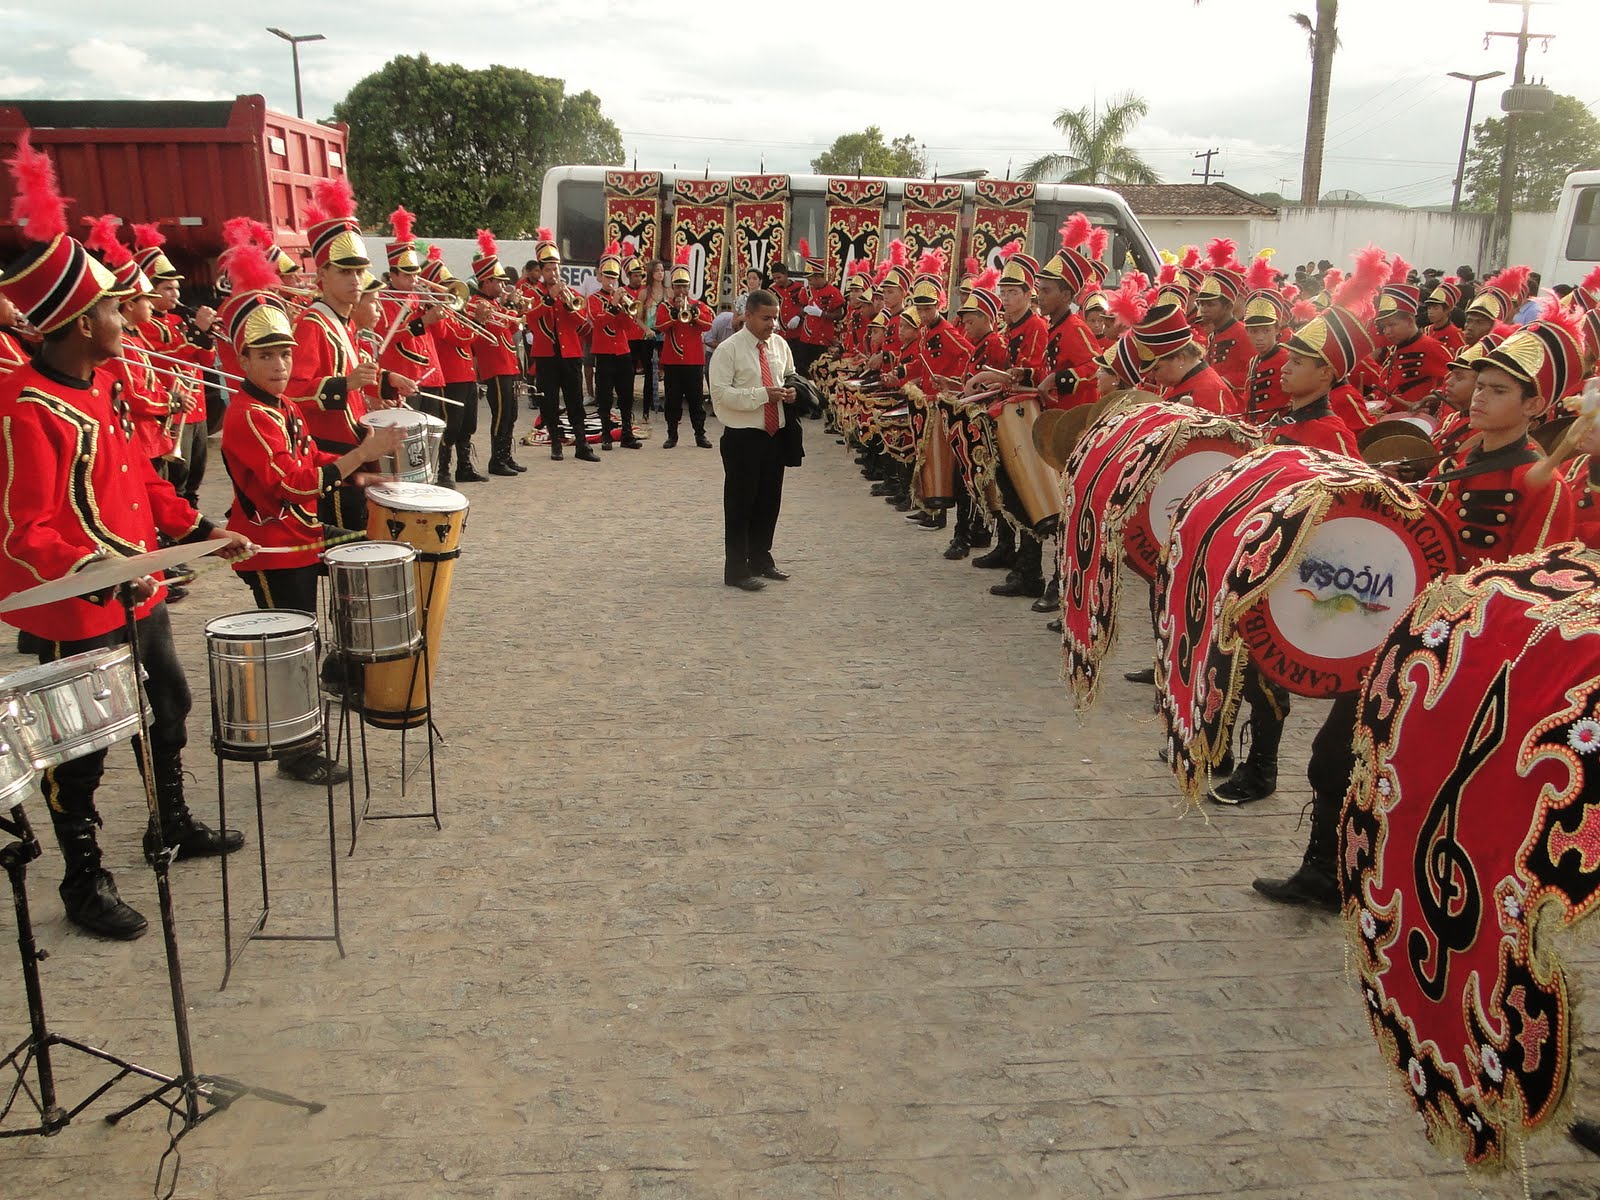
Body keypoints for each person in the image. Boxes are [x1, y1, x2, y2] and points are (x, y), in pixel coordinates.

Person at [0, 136, 251, 938]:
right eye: (113, 306)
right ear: (78, 321)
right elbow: (23, 529)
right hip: (77, 608)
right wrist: (94, 568)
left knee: (168, 705)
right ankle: (83, 879)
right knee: (81, 749)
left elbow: (139, 482)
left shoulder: (101, 383)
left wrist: (201, 529)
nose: (127, 316)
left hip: (134, 590)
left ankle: (167, 826)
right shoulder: (24, 406)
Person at [214, 223, 403, 785]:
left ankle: (311, 726)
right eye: (267, 356)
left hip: (298, 538)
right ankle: (296, 753)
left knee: (306, 630)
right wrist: (357, 457)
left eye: (284, 355)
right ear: (243, 361)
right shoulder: (248, 413)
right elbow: (294, 484)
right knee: (289, 641)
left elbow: (310, 450)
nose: (279, 367)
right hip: (271, 545)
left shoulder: (276, 407)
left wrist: (357, 476)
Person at [287, 178, 403, 536]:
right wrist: (344, 384)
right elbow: (291, 391)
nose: (356, 280)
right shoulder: (312, 324)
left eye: (359, 271)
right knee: (348, 543)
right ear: (322, 274)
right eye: (345, 271)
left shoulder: (343, 323)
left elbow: (351, 374)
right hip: (329, 452)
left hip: (355, 443)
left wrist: (386, 380)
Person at [708, 289, 799, 590]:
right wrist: (762, 395)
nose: (772, 324)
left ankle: (761, 558)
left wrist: (793, 391)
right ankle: (735, 569)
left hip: (775, 436)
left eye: (775, 318)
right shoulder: (729, 350)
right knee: (740, 505)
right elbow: (720, 396)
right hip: (743, 437)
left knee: (768, 502)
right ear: (748, 315)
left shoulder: (780, 345)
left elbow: (790, 375)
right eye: (765, 318)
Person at [525, 228, 596, 463]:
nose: (553, 273)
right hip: (546, 356)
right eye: (548, 269)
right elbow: (531, 318)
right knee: (549, 401)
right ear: (541, 272)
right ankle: (555, 443)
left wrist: (567, 303)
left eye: (556, 268)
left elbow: (581, 322)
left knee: (575, 399)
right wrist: (549, 298)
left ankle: (582, 444)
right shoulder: (534, 293)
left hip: (570, 354)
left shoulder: (572, 293)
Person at [421, 249, 488, 484]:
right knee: (452, 425)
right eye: (444, 287)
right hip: (451, 377)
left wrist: (474, 321)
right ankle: (444, 471)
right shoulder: (436, 314)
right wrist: (477, 322)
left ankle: (464, 467)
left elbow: (468, 339)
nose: (449, 293)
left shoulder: (454, 312)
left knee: (468, 424)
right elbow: (457, 339)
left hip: (466, 374)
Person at [1372, 262, 1450, 413]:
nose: (1387, 331)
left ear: (1409, 321)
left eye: (1392, 325)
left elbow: (1454, 382)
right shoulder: (1394, 348)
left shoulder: (1431, 347)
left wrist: (1433, 401)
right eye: (1384, 327)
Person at [656, 250, 715, 449]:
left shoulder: (699, 306)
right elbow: (661, 326)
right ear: (672, 287)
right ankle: (672, 435)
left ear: (689, 287)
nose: (682, 290)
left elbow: (707, 325)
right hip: (672, 361)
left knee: (696, 400)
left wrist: (694, 313)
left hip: (694, 361)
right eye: (678, 286)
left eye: (684, 286)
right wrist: (675, 313)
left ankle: (700, 434)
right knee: (672, 401)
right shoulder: (665, 307)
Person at [588, 242, 643, 449]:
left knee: (626, 396)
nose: (611, 280)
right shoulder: (593, 299)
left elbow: (628, 326)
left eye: (614, 276)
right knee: (604, 397)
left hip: (623, 352)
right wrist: (613, 305)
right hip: (603, 353)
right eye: (607, 276)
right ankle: (606, 435)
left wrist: (625, 308)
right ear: (600, 277)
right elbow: (598, 320)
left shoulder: (623, 299)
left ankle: (627, 433)